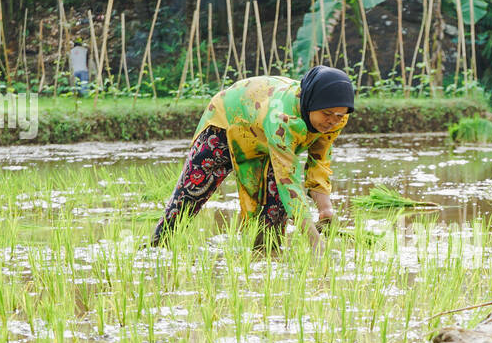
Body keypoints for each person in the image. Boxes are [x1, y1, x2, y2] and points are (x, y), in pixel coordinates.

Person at [151, 65, 355, 249]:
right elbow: (289, 181)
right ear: (310, 102)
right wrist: (314, 241)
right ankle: (158, 248)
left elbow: (319, 161)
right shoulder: (282, 117)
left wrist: (325, 209)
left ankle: (265, 255)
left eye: (339, 116)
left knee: (274, 210)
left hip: (266, 140)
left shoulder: (337, 119)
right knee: (192, 192)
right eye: (327, 113)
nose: (332, 121)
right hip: (229, 121)